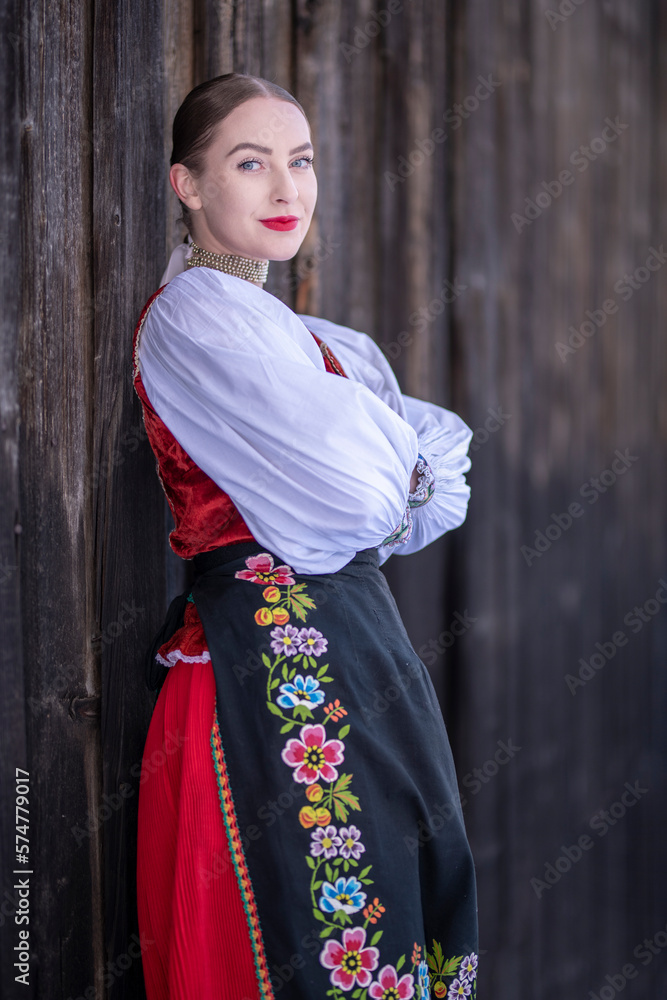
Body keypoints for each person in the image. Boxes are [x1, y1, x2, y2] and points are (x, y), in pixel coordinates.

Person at [133, 72, 479, 1000]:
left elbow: (436, 467)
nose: (288, 190)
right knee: (309, 927)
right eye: (251, 164)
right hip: (264, 670)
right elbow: (365, 493)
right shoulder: (196, 319)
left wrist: (387, 463)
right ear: (189, 186)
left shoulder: (315, 341)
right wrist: (385, 461)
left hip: (360, 650)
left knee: (397, 912)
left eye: (301, 161)